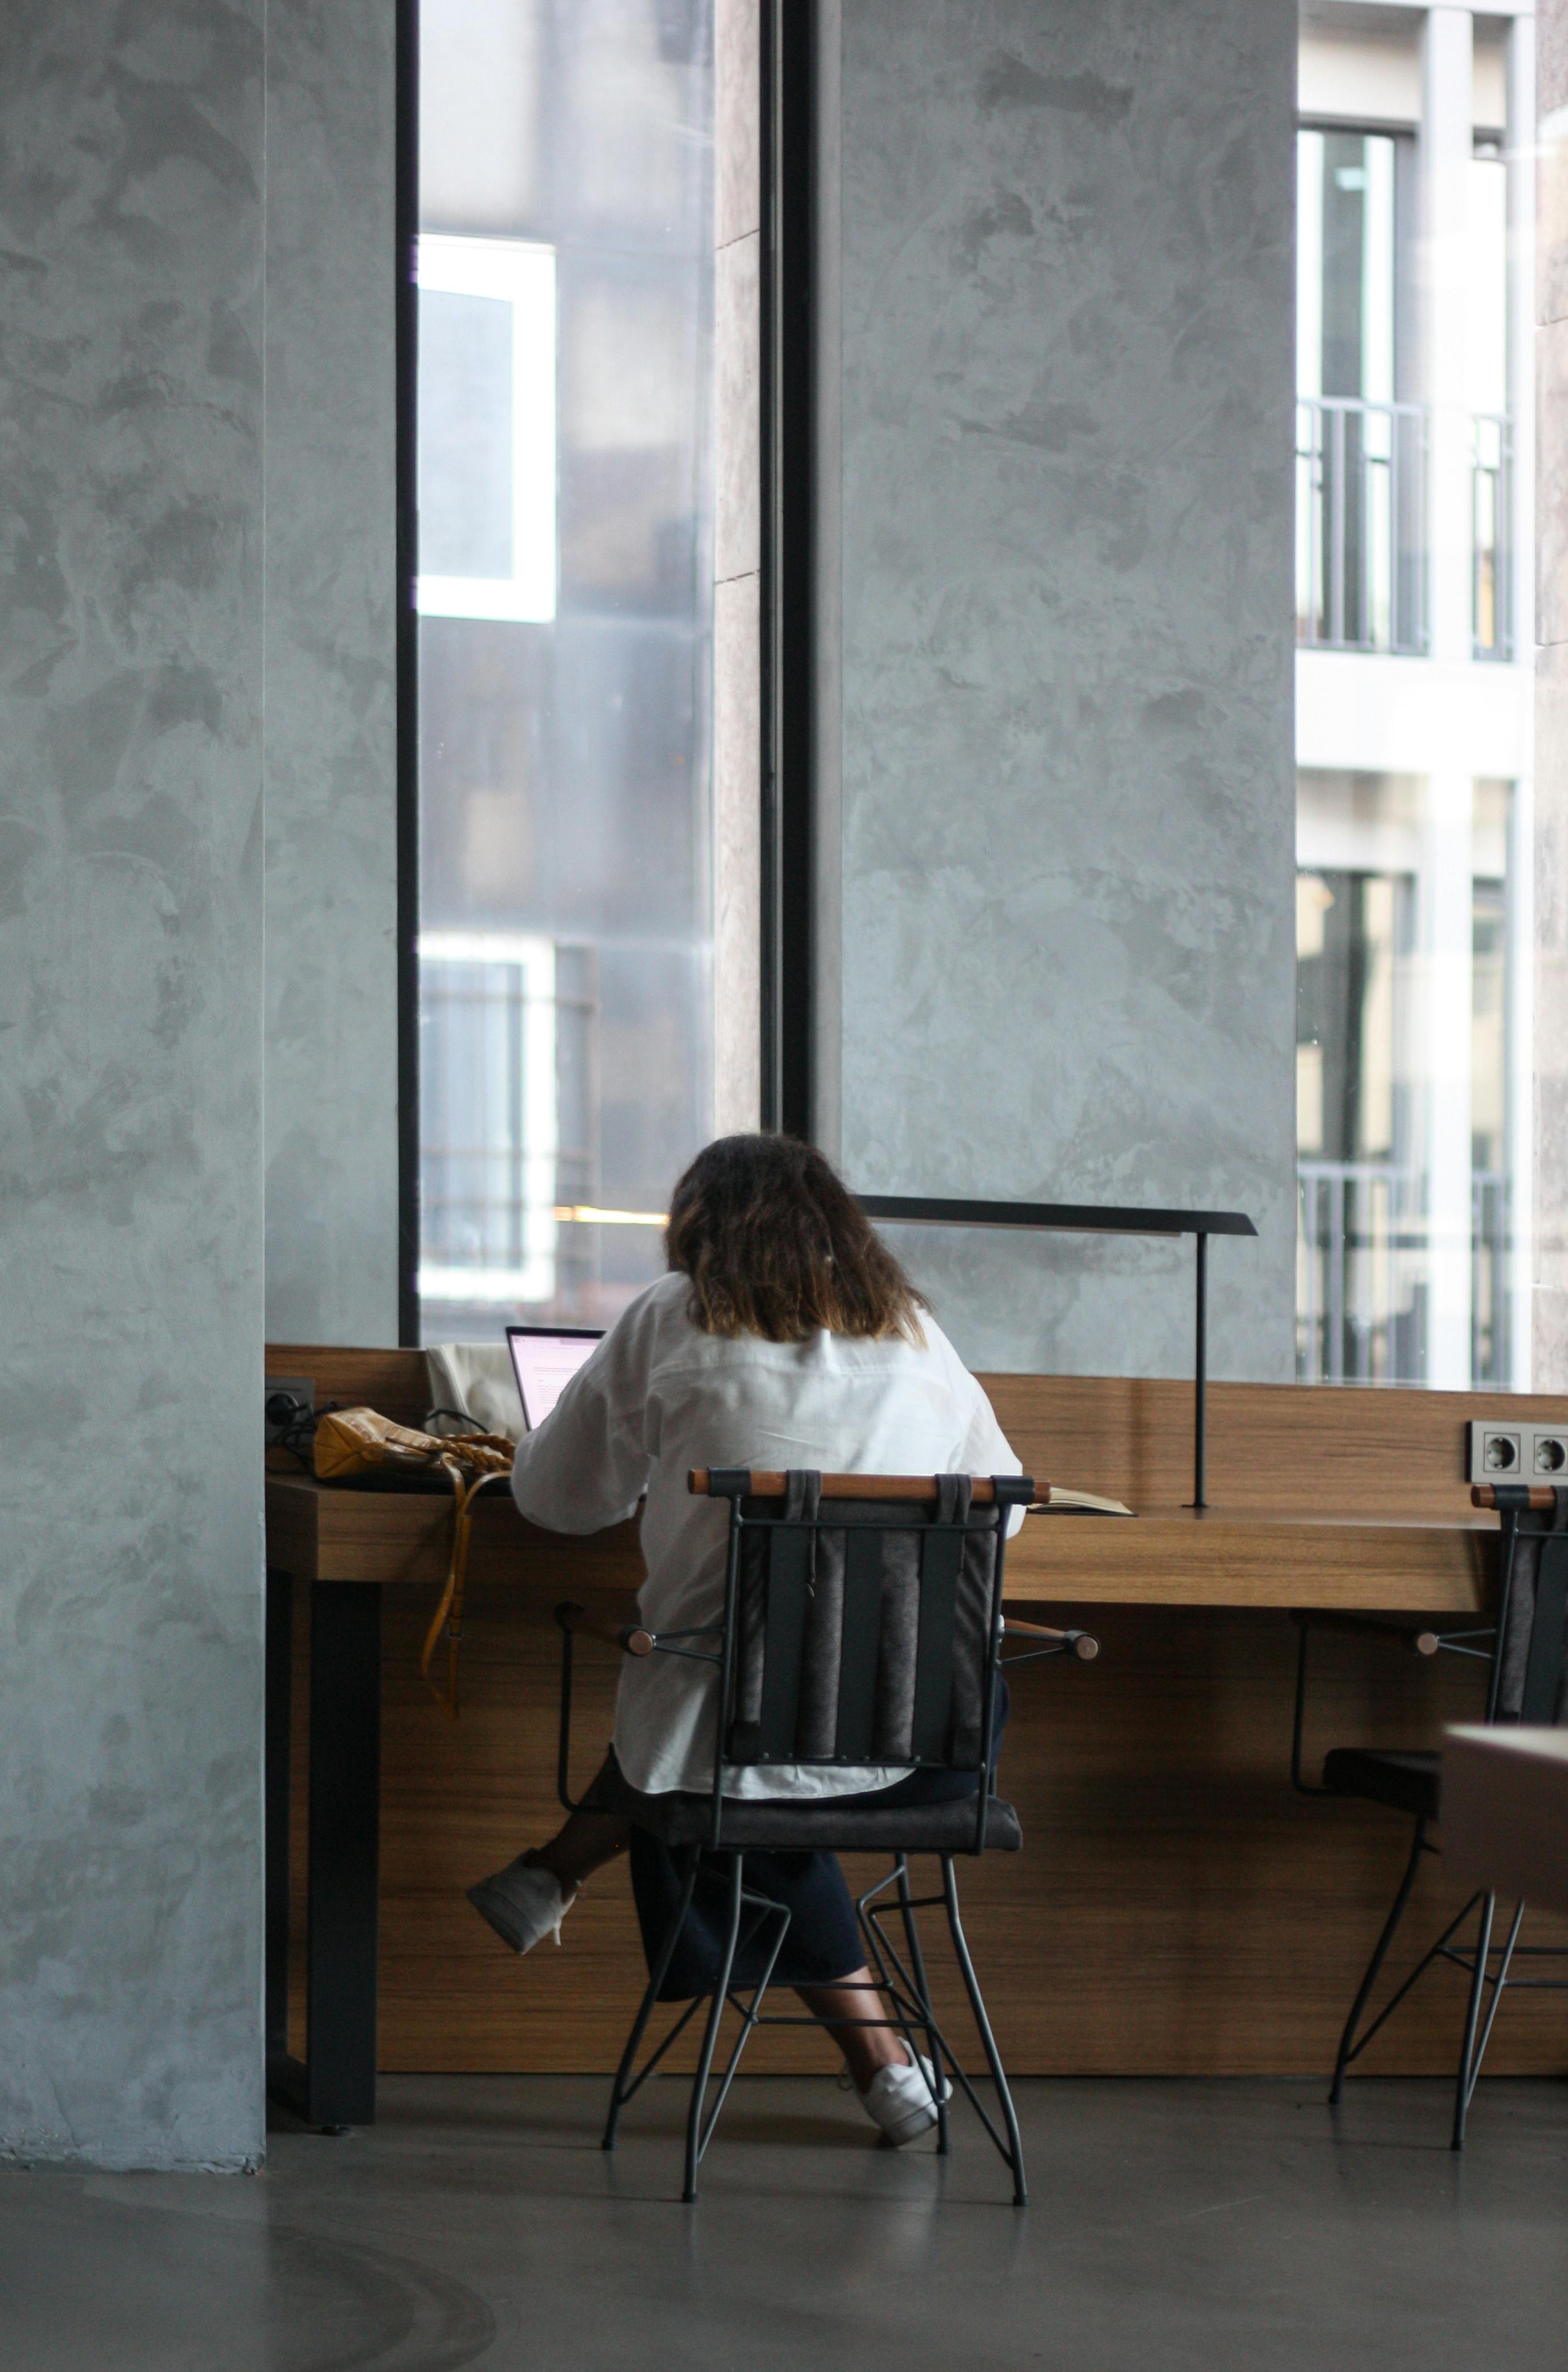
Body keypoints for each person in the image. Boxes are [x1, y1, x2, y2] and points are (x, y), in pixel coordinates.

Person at [466, 1133, 1023, 2148]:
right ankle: (549, 1874)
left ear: (698, 1228)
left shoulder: (671, 1317)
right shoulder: (912, 1328)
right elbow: (1005, 1512)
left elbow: (555, 1502)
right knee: (738, 1727)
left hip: (738, 1735)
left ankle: (875, 2056)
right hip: (936, 1740)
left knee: (716, 1748)